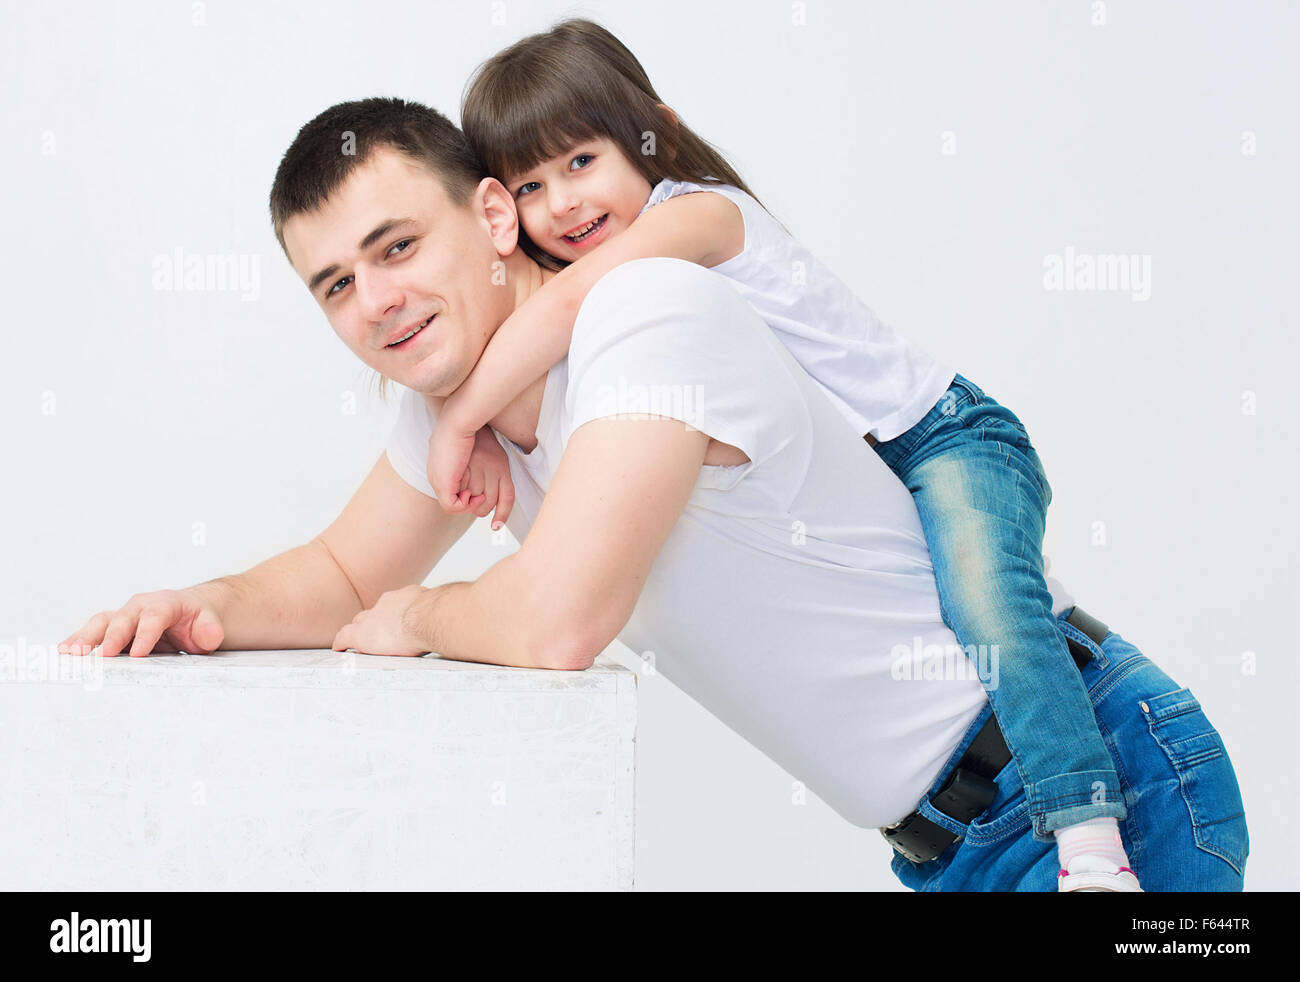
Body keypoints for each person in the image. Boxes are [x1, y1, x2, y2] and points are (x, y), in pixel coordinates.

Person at [60, 97, 1249, 891]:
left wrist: (420, 618)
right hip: (951, 845)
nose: (373, 301)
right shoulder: (444, 413)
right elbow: (337, 577)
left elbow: (557, 620)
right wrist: (199, 606)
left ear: (489, 214)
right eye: (332, 284)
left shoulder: (645, 317)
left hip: (1093, 782)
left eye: (395, 246)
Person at [424, 19, 1133, 889]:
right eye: (531, 186)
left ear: (659, 133)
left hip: (945, 434)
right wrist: (494, 428)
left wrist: (457, 420)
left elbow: (561, 307)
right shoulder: (613, 312)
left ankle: (1090, 831)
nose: (563, 204)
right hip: (889, 507)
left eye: (582, 162)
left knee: (989, 602)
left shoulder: (699, 217)